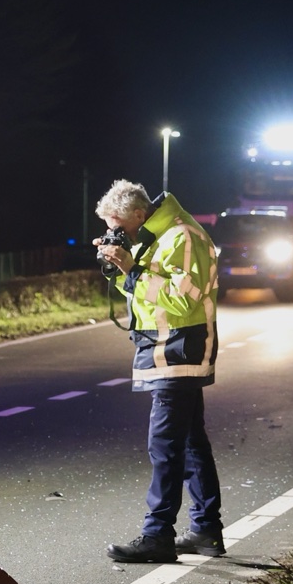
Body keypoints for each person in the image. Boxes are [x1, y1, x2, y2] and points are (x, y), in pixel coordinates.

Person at [92, 179, 222, 562]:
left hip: (179, 348)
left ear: (138, 213)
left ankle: (157, 536)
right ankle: (205, 531)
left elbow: (183, 301)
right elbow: (142, 294)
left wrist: (132, 268)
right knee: (190, 442)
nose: (115, 232)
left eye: (117, 223)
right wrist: (118, 269)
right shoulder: (156, 235)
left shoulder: (181, 236)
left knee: (164, 446)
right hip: (165, 348)